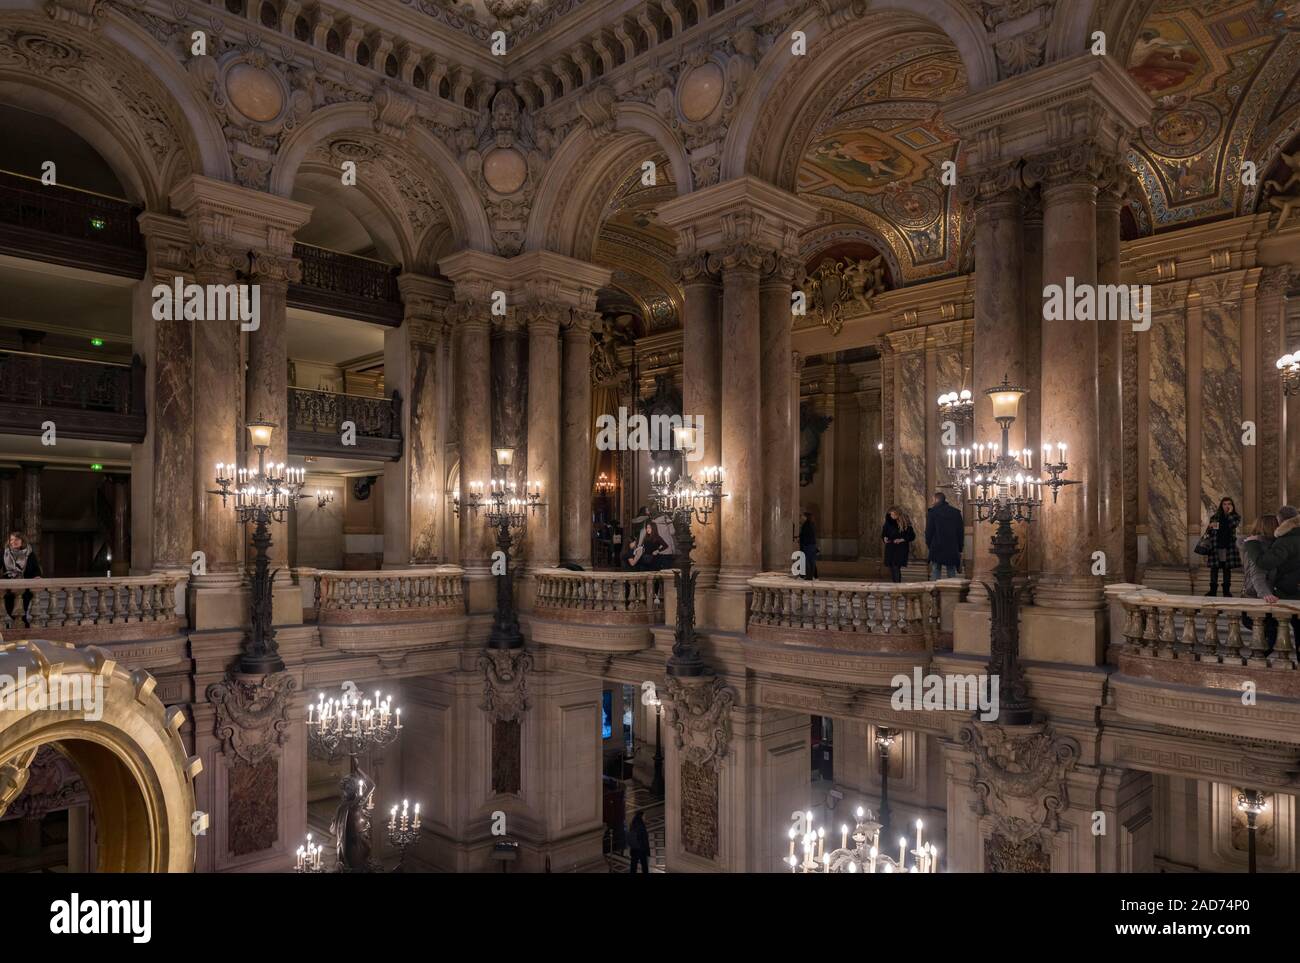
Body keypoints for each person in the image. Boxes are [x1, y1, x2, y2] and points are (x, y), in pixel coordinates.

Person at [1238, 514, 1297, 651]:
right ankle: (1255, 666)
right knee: (1270, 636)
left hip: (1259, 595)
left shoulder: (1263, 545)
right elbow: (1257, 574)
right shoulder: (1259, 547)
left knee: (1270, 636)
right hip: (1256, 596)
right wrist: (1265, 594)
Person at [1250, 505, 1300, 600]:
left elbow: (1264, 563)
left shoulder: (1285, 541)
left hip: (1287, 590)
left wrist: (1251, 544)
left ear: (1280, 521)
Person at [1204, 496, 1241, 597]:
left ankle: (1226, 591)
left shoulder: (1235, 517)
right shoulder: (1215, 517)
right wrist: (1210, 527)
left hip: (1228, 547)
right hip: (1216, 546)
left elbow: (1232, 525)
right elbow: (1210, 530)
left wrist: (1229, 514)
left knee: (1226, 569)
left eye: (1229, 504)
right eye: (1224, 504)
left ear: (1232, 506)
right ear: (1221, 505)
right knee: (1214, 569)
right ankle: (1212, 591)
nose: (1227, 506)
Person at [3, 531, 40, 627]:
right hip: (9, 588)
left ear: (22, 541)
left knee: (21, 612)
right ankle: (21, 629)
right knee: (9, 609)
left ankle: (24, 630)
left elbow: (36, 569)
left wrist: (37, 576)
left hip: (25, 589)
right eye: (11, 539)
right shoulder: (5, 553)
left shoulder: (30, 553)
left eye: (16, 539)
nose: (13, 542)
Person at [925, 492, 963, 580]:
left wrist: (929, 544)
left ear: (936, 499)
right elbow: (960, 532)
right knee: (951, 570)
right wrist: (960, 548)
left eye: (933, 499)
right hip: (952, 547)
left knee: (935, 570)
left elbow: (929, 531)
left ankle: (935, 592)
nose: (932, 501)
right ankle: (953, 592)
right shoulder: (956, 512)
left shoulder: (933, 512)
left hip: (936, 546)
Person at [881, 507, 915, 582]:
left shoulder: (905, 523)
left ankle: (897, 588)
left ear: (898, 514)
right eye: (891, 514)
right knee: (891, 567)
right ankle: (895, 587)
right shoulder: (888, 522)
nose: (891, 516)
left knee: (896, 567)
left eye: (893, 514)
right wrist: (884, 538)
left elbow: (912, 536)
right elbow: (884, 533)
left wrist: (901, 539)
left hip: (900, 548)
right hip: (890, 547)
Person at [797, 511, 819, 579]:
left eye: (802, 516)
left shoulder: (806, 525)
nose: (800, 518)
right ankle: (811, 576)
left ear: (805, 517)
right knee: (811, 561)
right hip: (812, 545)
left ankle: (809, 576)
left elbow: (804, 536)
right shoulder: (811, 524)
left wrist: (800, 540)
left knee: (808, 562)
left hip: (808, 546)